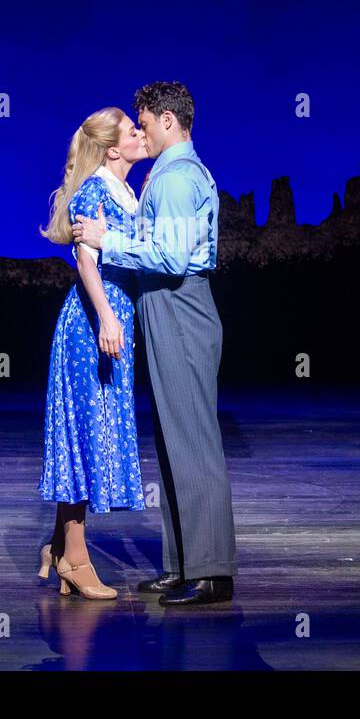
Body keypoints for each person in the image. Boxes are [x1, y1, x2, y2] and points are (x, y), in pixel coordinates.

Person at [73, 81, 237, 606]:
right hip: (166, 307)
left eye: (143, 123)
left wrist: (107, 240)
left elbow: (167, 256)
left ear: (168, 120)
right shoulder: (171, 175)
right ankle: (184, 564)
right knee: (173, 438)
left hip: (178, 305)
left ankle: (209, 572)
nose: (140, 132)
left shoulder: (176, 178)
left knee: (193, 438)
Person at [37, 106, 148, 599]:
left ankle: (59, 546)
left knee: (91, 428)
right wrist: (106, 316)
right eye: (132, 130)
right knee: (84, 434)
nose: (140, 134)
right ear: (111, 149)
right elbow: (87, 260)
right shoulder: (96, 188)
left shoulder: (125, 189)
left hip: (110, 322)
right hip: (89, 326)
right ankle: (75, 561)